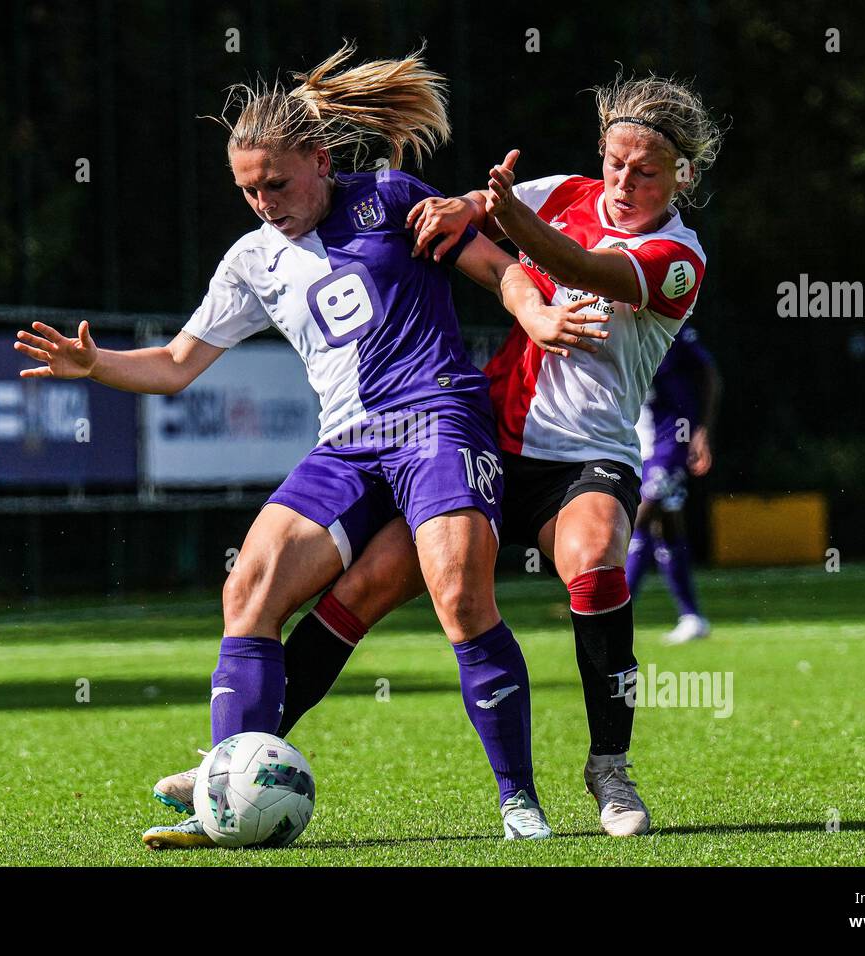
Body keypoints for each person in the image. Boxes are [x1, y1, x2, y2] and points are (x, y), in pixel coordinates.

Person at [16, 45, 597, 846]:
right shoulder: (251, 260)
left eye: (276, 184)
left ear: (321, 161)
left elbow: (499, 269)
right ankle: (226, 788)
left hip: (437, 422)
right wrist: (94, 365)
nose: (263, 203)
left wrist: (538, 317)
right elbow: (179, 364)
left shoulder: (392, 197)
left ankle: (518, 803)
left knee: (460, 599)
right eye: (247, 190)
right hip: (350, 447)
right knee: (248, 593)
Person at [156, 73, 723, 838]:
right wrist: (464, 207)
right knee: (361, 591)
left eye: (645, 170)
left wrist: (509, 219)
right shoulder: (562, 193)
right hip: (487, 436)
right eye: (614, 161)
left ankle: (609, 770)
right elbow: (466, 216)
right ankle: (240, 757)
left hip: (584, 457)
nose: (623, 181)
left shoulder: (677, 256)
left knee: (593, 564)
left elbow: (585, 270)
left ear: (682, 175)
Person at [627, 326, 721, 644]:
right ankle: (692, 616)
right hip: (638, 443)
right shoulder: (612, 327)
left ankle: (616, 608)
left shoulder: (670, 328)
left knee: (641, 513)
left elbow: (709, 373)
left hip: (673, 441)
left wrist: (702, 430)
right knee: (665, 525)